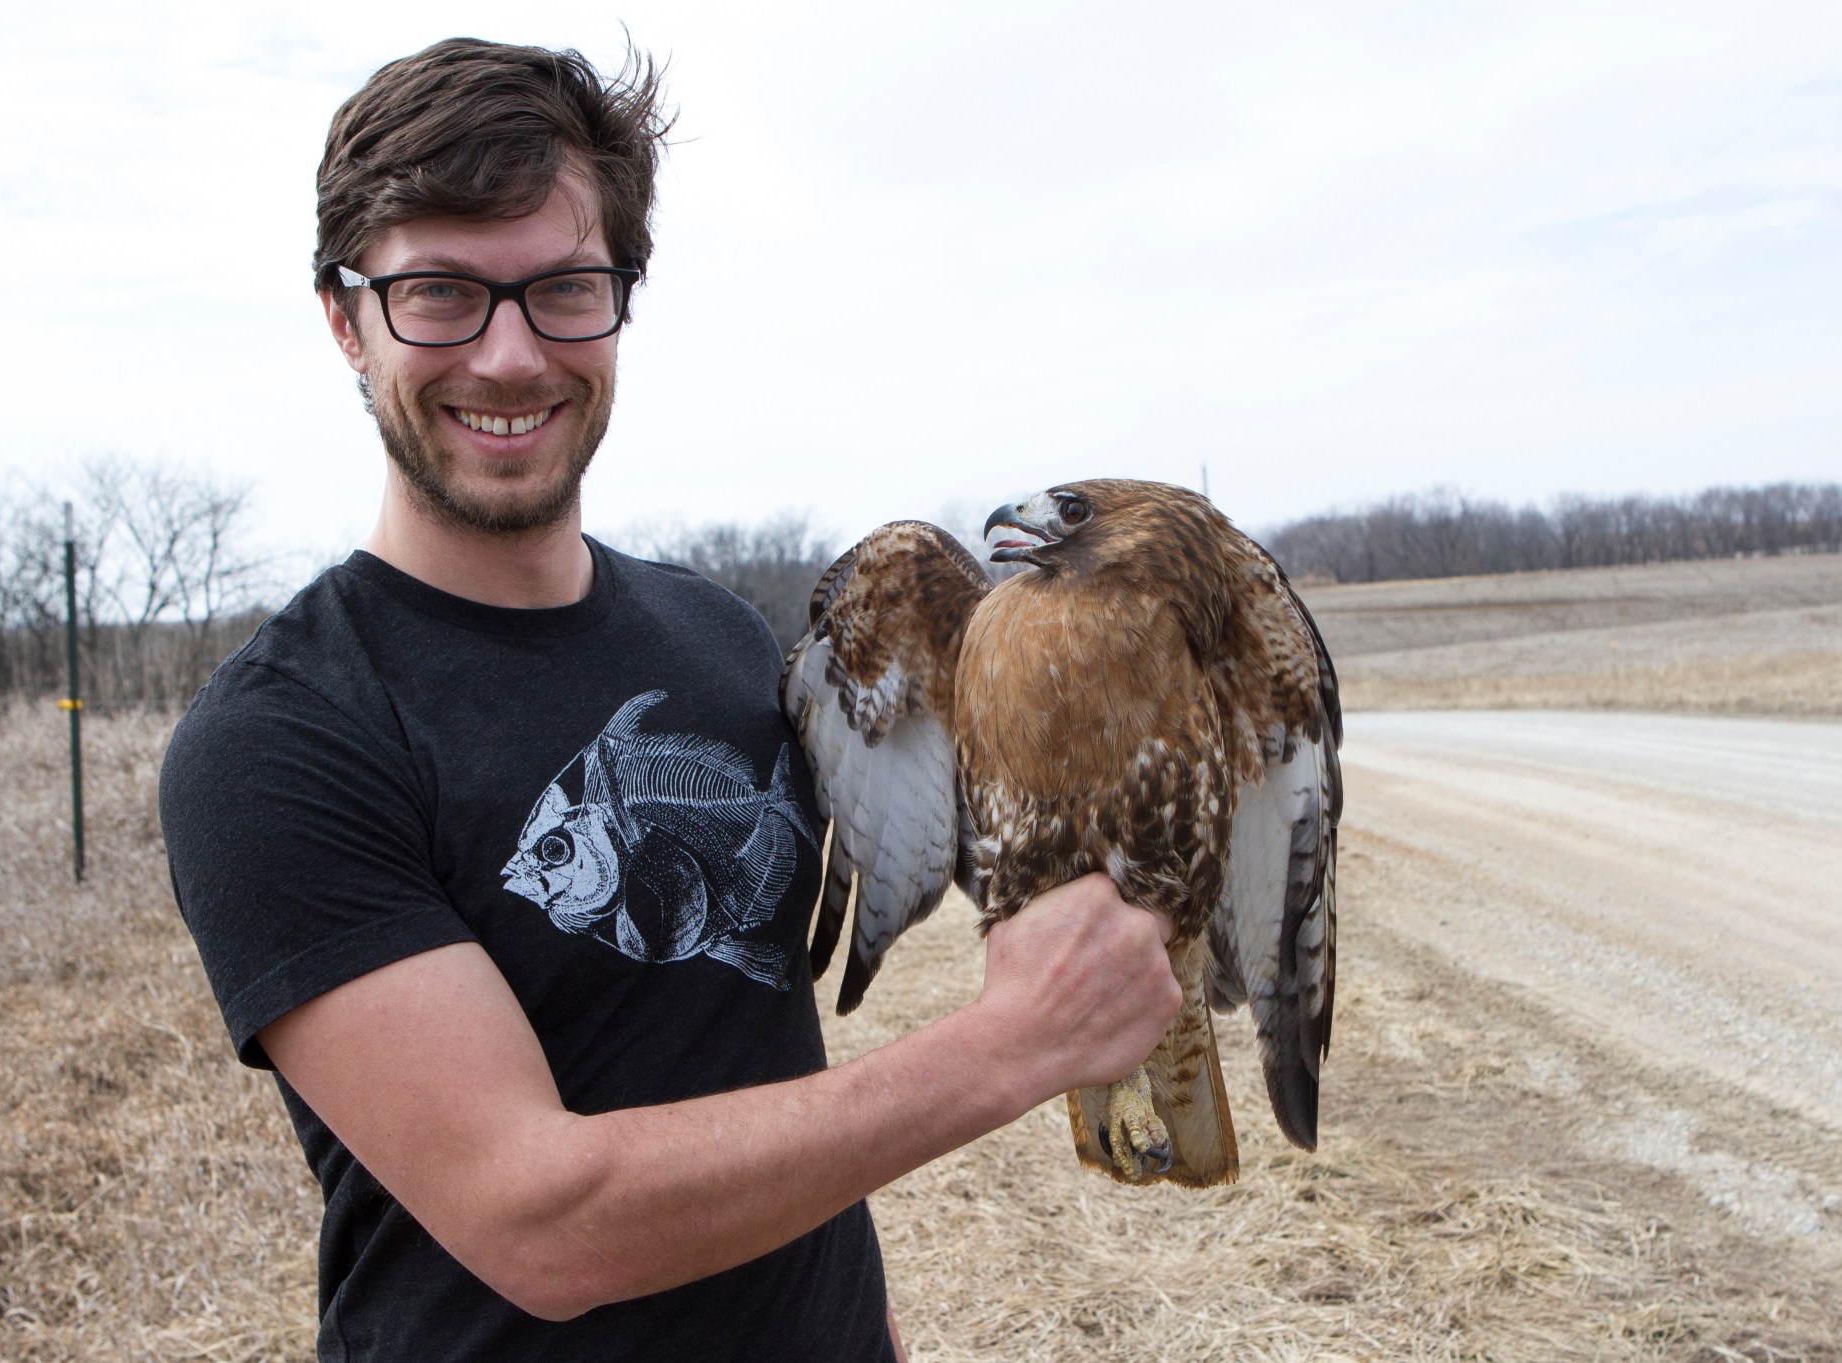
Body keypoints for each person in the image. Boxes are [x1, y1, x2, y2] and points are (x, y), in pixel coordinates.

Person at [158, 36, 1182, 1362]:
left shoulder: (707, 633)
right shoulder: (280, 742)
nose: (513, 357)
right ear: (344, 319)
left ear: (621, 299)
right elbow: (543, 1223)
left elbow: (768, 1076)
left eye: (564, 288)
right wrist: (1007, 1046)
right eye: (440, 295)